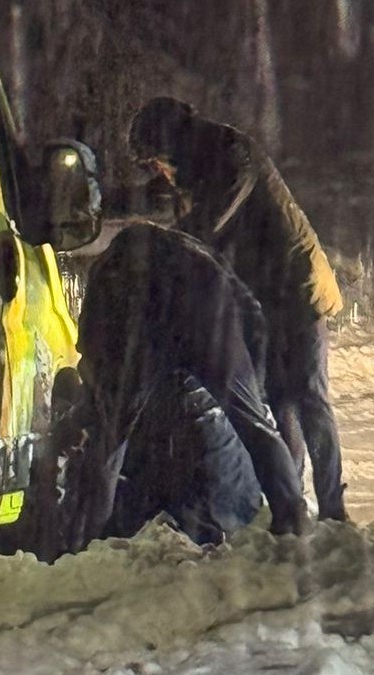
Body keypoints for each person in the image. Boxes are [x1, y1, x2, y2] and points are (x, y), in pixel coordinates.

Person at [128, 97, 347, 521]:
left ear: (169, 141)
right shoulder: (199, 166)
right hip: (267, 297)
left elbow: (211, 222)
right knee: (278, 399)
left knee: (308, 397)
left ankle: (334, 509)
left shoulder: (230, 152)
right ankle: (291, 503)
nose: (159, 172)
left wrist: (165, 242)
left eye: (157, 161)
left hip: (298, 291)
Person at [51, 222, 309, 549]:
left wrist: (99, 400)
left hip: (144, 320)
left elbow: (92, 348)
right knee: (254, 424)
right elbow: (252, 323)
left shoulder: (111, 272)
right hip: (206, 313)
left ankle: (86, 542)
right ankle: (292, 519)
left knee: (111, 440)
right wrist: (253, 394)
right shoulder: (211, 269)